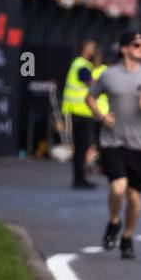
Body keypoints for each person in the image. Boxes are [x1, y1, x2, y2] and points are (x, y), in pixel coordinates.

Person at [85, 31, 141, 259]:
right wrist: (101, 116)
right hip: (112, 140)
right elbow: (90, 97)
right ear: (124, 49)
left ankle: (127, 236)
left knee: (134, 196)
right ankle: (114, 221)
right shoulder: (108, 74)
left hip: (140, 145)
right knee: (118, 187)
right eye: (136, 45)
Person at [63, 39, 102, 189]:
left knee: (82, 146)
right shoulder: (81, 65)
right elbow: (90, 82)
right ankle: (79, 179)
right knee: (82, 146)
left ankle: (80, 177)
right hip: (80, 111)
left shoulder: (84, 65)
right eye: (91, 47)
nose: (93, 50)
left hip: (81, 111)